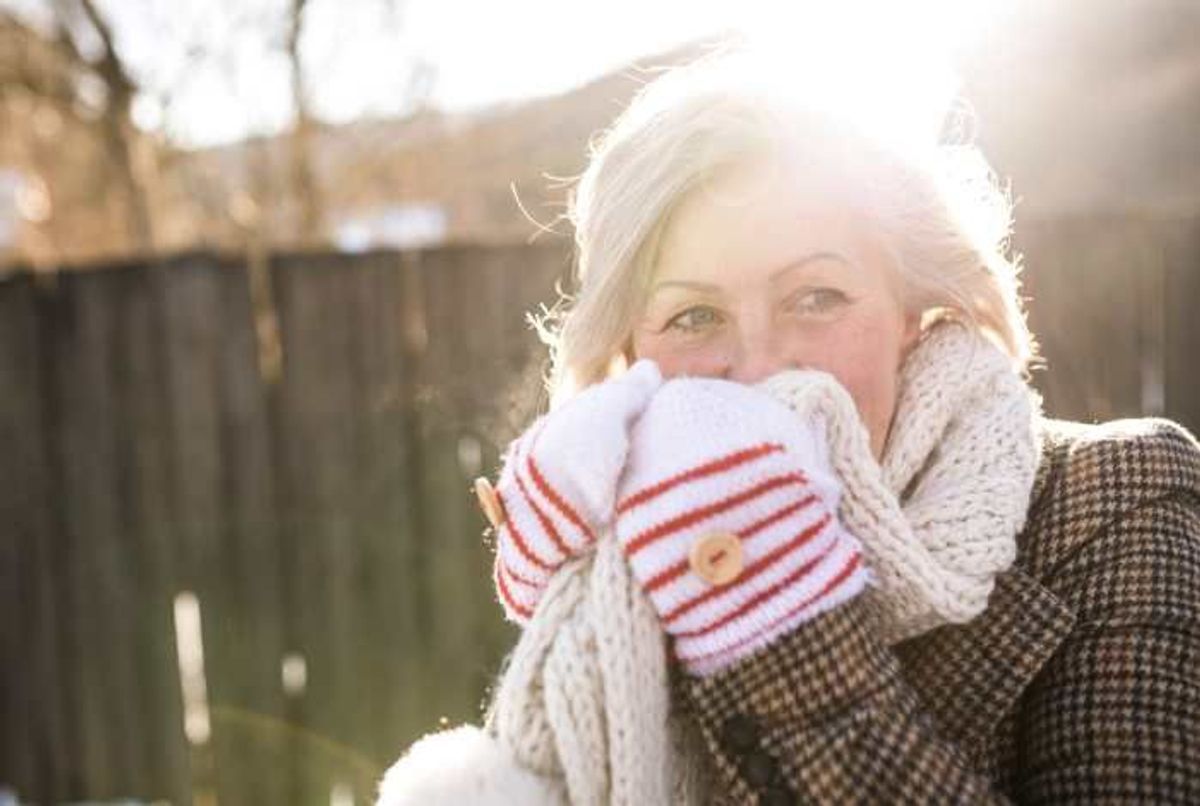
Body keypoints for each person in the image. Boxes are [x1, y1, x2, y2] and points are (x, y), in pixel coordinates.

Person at [378, 49, 1200, 804]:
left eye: (816, 298)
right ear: (629, 352)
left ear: (910, 311)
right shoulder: (611, 584)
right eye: (695, 315)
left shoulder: (1115, 500)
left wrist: (754, 588)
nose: (761, 370)